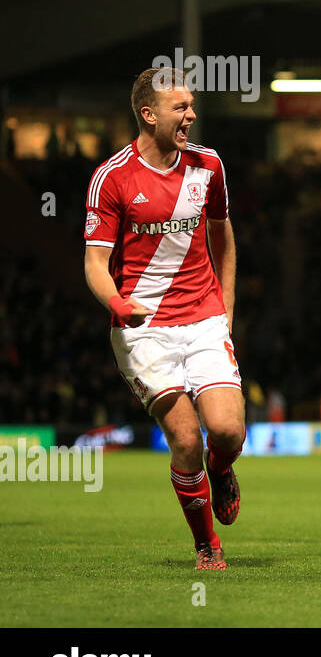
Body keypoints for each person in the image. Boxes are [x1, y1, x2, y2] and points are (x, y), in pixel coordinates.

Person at [83, 68, 245, 571]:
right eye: (181, 107)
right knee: (185, 438)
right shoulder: (112, 178)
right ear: (149, 114)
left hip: (203, 318)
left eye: (192, 105)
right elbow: (94, 263)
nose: (192, 115)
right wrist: (118, 303)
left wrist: (227, 311)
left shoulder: (209, 166)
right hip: (143, 328)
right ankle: (206, 544)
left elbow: (223, 237)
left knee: (227, 432)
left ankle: (222, 471)